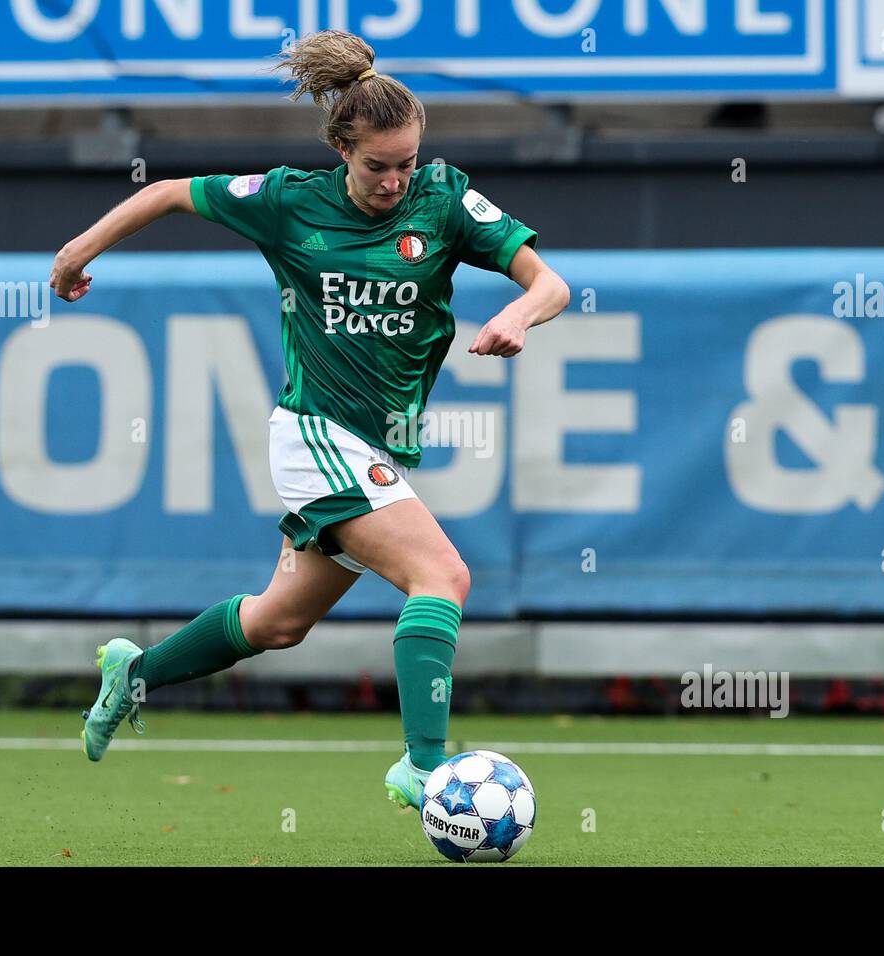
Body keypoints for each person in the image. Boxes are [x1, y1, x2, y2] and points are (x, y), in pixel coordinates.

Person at [48, 29, 570, 811]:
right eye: (376, 165)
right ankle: (427, 770)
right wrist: (76, 253)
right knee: (443, 576)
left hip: (380, 445)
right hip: (317, 435)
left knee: (276, 623)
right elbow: (166, 193)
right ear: (341, 148)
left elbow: (550, 281)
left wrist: (523, 315)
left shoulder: (446, 198)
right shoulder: (291, 202)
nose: (395, 181)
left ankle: (136, 675)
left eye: (407, 163)